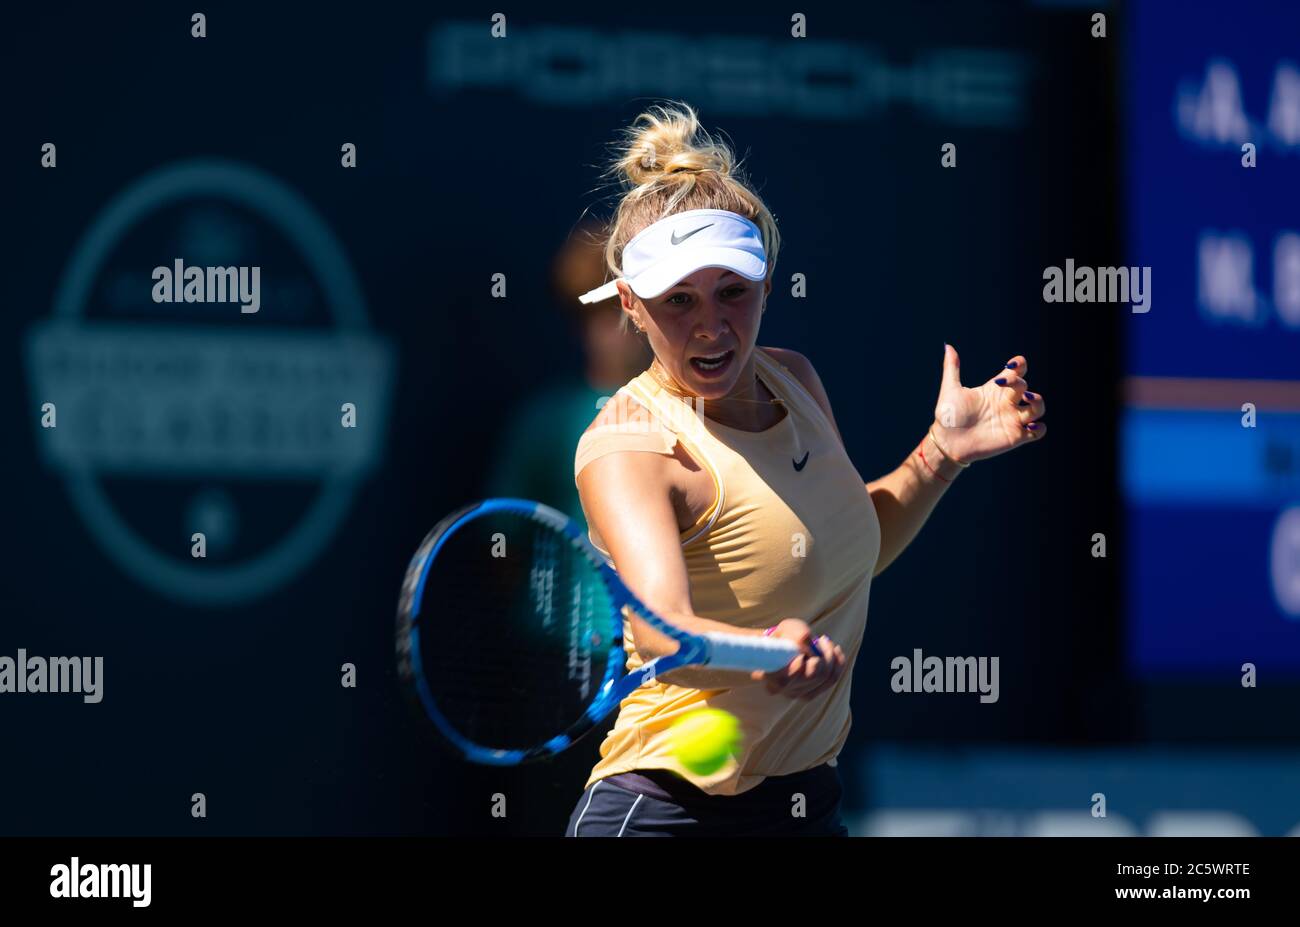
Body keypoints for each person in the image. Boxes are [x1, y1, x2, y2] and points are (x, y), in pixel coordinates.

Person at [565, 103, 1046, 837]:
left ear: (766, 284)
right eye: (678, 301)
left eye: (734, 291)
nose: (711, 326)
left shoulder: (794, 379)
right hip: (664, 814)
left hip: (803, 807)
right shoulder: (626, 444)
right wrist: (765, 653)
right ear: (631, 304)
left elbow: (846, 548)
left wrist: (940, 455)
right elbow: (663, 633)